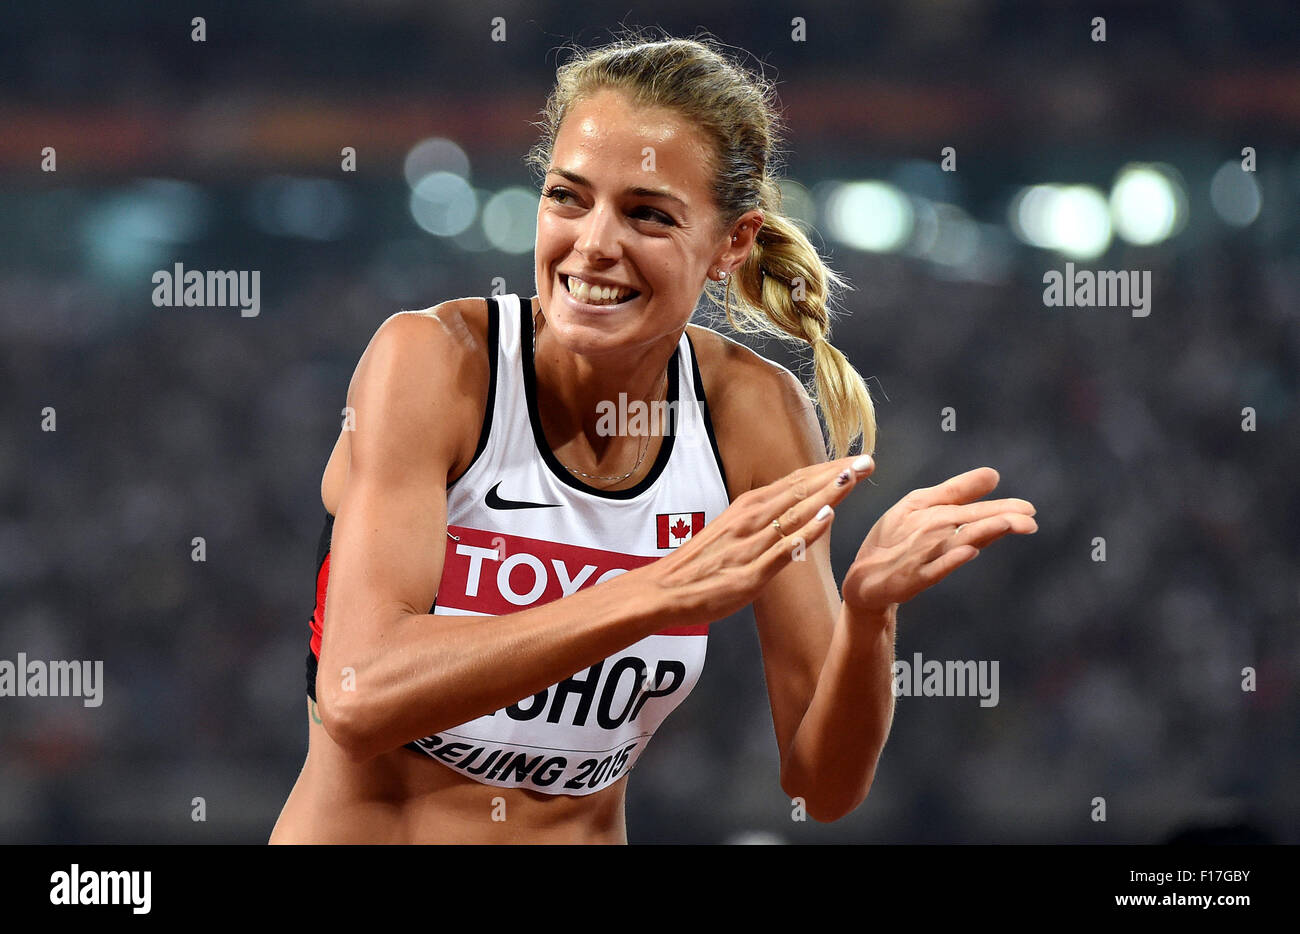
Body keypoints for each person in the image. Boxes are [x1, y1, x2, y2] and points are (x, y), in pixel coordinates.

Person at [269, 31, 1037, 844]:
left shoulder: (754, 414)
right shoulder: (436, 365)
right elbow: (358, 693)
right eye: (568, 197)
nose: (594, 243)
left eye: (647, 214)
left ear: (732, 243)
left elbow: (823, 784)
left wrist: (867, 616)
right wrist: (656, 593)